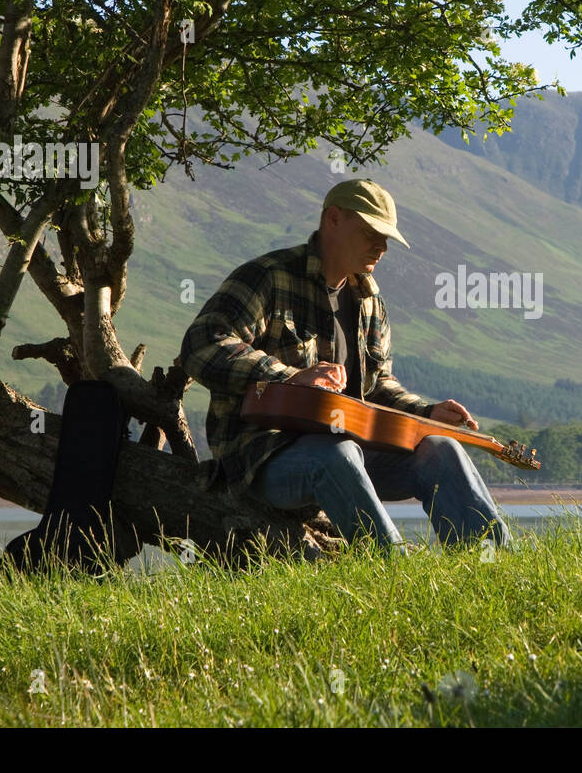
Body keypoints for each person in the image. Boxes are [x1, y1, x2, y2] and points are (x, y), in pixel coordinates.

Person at [179, 178, 513, 554]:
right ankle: (397, 577)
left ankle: (491, 567)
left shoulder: (370, 301)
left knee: (441, 448)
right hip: (262, 458)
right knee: (340, 455)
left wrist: (426, 412)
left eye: (386, 238)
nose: (382, 246)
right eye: (371, 232)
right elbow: (202, 344)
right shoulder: (268, 277)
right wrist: (289, 378)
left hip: (353, 450)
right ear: (333, 220)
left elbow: (377, 386)